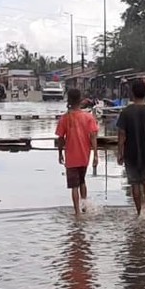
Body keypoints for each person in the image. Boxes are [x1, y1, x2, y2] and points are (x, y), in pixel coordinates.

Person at [116, 79, 145, 216]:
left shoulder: (126, 112)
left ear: (132, 94)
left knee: (135, 183)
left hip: (131, 154)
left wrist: (120, 153)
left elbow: (121, 136)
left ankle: (138, 211)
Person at [55, 88, 100, 217]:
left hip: (71, 156)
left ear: (68, 100)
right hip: (84, 155)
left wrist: (60, 154)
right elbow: (93, 136)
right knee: (82, 182)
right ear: (80, 100)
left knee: (74, 186)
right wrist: (95, 155)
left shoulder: (65, 118)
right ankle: (85, 207)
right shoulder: (88, 117)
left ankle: (77, 213)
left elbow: (60, 138)